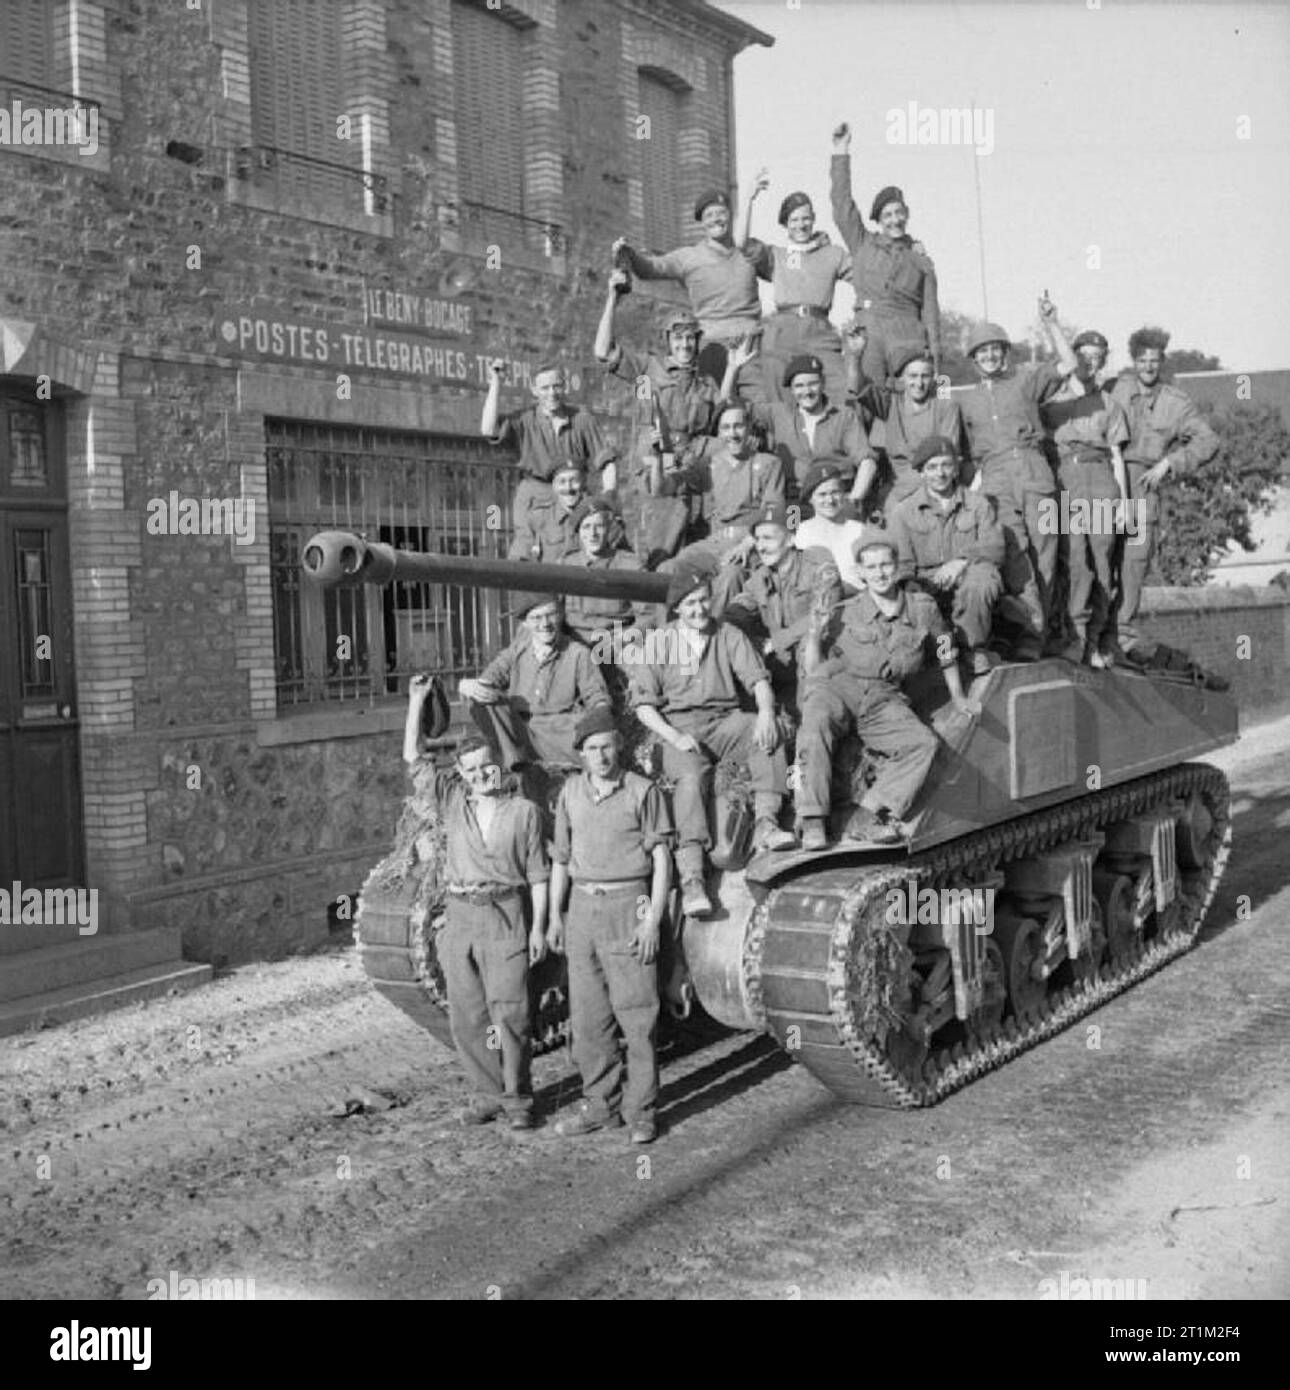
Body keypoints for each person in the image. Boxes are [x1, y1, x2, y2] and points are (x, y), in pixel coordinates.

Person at [402, 692, 548, 1129]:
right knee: (468, 1014)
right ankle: (487, 1094)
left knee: (512, 1013)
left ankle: (518, 1098)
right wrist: (415, 702)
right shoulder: (451, 802)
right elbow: (414, 757)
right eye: (472, 770)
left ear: (499, 766)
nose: (482, 774)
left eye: (488, 765)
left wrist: (540, 928)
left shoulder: (524, 813)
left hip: (505, 915)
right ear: (462, 777)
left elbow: (539, 875)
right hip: (460, 914)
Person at [796, 529, 975, 851]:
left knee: (921, 744)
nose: (880, 573)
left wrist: (959, 696)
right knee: (815, 723)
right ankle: (812, 819)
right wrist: (814, 633)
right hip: (839, 686)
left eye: (885, 565)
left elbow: (946, 649)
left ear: (897, 566)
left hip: (884, 697)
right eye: (871, 567)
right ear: (860, 573)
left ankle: (866, 815)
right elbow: (812, 670)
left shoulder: (923, 608)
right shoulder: (843, 611)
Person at [631, 566, 795, 916]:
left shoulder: (728, 635)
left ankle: (767, 822)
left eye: (704, 600)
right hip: (679, 726)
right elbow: (643, 706)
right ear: (677, 608)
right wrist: (674, 737)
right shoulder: (660, 642)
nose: (699, 610)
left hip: (725, 721)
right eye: (690, 604)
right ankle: (692, 879)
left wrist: (766, 712)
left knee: (766, 732)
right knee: (689, 781)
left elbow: (758, 681)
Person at [549, 707, 673, 1145]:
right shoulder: (569, 794)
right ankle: (601, 1105)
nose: (601, 756)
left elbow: (661, 859)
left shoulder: (642, 790)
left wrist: (652, 920)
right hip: (582, 906)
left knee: (637, 1015)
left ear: (619, 747)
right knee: (588, 1019)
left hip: (628, 903)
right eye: (592, 749)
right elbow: (561, 860)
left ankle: (641, 1110)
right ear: (581, 754)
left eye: (607, 746)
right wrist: (554, 918)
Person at [957, 297, 1079, 657]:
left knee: (1046, 552)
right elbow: (964, 457)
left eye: (995, 349)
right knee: (1015, 555)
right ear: (974, 360)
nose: (990, 357)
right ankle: (1029, 632)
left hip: (1033, 470)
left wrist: (1051, 324)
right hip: (994, 479)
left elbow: (1069, 363)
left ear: (1004, 352)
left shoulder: (1025, 380)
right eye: (983, 352)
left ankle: (1049, 635)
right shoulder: (965, 402)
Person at [1108, 325, 1219, 659]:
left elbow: (1208, 440)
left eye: (1154, 360)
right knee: (1099, 556)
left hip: (1144, 484)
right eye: (1142, 360)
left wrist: (1169, 463)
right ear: (1133, 360)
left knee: (1134, 561)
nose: (1148, 366)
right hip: (1108, 480)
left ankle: (1123, 632)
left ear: (1162, 362)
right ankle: (1091, 632)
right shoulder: (1114, 389)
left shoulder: (1175, 401)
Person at [612, 190, 767, 401]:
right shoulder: (689, 257)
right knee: (715, 412)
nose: (716, 219)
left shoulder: (749, 251)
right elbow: (651, 268)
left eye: (721, 213)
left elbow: (783, 267)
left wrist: (817, 244)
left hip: (751, 348)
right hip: (712, 348)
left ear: (730, 216)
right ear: (701, 223)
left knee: (757, 411)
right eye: (709, 215)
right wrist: (629, 254)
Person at [1040, 328, 1131, 665]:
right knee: (1073, 560)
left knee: (1103, 562)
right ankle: (1072, 635)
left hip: (1101, 480)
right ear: (1073, 358)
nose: (1091, 364)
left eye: (1098, 358)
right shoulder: (1052, 403)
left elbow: (1116, 456)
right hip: (1065, 480)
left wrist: (1122, 504)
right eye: (1085, 357)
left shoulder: (1110, 405)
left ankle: (1095, 641)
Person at [458, 592, 609, 789]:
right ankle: (511, 771)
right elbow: (485, 682)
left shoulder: (578, 653)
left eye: (550, 615)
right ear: (525, 623)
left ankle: (539, 775)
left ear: (560, 615)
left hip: (559, 731)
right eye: (536, 618)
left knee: (584, 727)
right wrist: (466, 685)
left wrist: (598, 722)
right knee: (482, 701)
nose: (544, 624)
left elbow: (597, 697)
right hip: (519, 732)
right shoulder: (516, 652)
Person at [829, 122, 941, 384]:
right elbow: (842, 206)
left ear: (907, 214)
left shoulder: (921, 260)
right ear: (879, 219)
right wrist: (840, 151)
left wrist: (937, 368)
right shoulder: (863, 244)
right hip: (868, 330)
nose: (894, 220)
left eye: (899, 212)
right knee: (864, 397)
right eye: (887, 215)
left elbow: (932, 317)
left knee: (916, 399)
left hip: (907, 334)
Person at [885, 435, 1006, 675]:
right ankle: (935, 651)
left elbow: (996, 547)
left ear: (956, 468)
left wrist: (961, 562)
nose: (939, 474)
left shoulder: (978, 504)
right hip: (927, 585)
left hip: (966, 582)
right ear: (921, 472)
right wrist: (916, 590)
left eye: (946, 465)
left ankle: (974, 648)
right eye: (931, 467)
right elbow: (903, 566)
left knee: (982, 578)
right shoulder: (903, 512)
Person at [736, 173, 851, 403]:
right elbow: (741, 243)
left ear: (814, 219)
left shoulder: (832, 254)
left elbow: (867, 274)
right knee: (778, 394)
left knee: (842, 390)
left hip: (819, 330)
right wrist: (748, 200)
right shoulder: (776, 255)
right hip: (782, 331)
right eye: (794, 220)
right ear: (786, 225)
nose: (801, 225)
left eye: (805, 218)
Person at [724, 502, 843, 714]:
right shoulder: (761, 577)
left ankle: (812, 719)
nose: (760, 547)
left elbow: (822, 613)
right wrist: (723, 625)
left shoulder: (818, 563)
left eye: (768, 538)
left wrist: (775, 642)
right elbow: (741, 606)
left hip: (824, 654)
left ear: (790, 539)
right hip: (784, 661)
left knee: (809, 645)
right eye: (758, 540)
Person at [726, 344, 878, 509]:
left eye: (812, 384)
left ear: (823, 383)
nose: (807, 391)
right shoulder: (778, 414)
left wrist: (853, 500)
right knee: (792, 532)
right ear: (791, 390)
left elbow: (867, 462)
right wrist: (732, 369)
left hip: (836, 499)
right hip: (796, 502)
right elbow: (729, 405)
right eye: (799, 386)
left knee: (847, 532)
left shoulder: (843, 416)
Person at [667, 398, 787, 605]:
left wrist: (749, 543)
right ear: (719, 433)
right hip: (716, 542)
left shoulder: (768, 464)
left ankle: (718, 632)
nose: (732, 434)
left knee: (731, 575)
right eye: (726, 428)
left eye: (738, 426)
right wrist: (659, 457)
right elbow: (664, 488)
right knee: (671, 568)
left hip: (752, 543)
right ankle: (667, 631)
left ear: (749, 428)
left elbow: (774, 511)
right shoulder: (709, 465)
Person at [481, 360, 617, 520]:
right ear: (534, 391)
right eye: (545, 388)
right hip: (535, 499)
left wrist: (608, 497)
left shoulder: (582, 419)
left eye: (556, 386)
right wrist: (495, 384)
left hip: (573, 494)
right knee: (526, 544)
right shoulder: (524, 420)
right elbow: (488, 429)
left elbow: (607, 461)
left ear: (564, 386)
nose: (552, 393)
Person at [846, 342, 968, 514]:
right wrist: (855, 356)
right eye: (913, 376)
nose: (919, 383)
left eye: (925, 376)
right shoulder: (891, 404)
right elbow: (859, 387)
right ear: (902, 378)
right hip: (898, 487)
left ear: (933, 378)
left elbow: (947, 453)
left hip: (936, 483)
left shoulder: (946, 407)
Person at [559, 496, 646, 648]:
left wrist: (622, 641)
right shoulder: (565, 566)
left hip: (619, 646)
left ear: (608, 528)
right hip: (577, 648)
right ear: (578, 532)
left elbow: (648, 615)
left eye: (599, 526)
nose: (593, 534)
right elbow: (552, 613)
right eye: (586, 527)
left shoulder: (630, 566)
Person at [793, 459, 869, 591]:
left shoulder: (859, 530)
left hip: (856, 601)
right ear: (810, 499)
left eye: (835, 492)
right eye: (822, 494)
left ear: (844, 494)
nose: (830, 500)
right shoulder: (803, 532)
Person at [507, 460, 586, 562]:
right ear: (554, 486)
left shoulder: (594, 516)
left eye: (574, 481)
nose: (568, 488)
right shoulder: (538, 519)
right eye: (562, 482)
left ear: (583, 483)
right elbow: (520, 556)